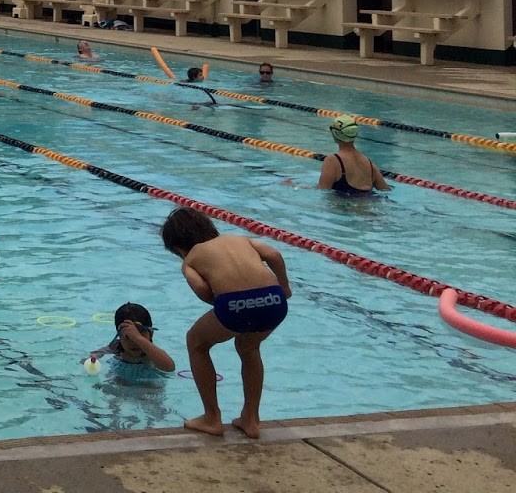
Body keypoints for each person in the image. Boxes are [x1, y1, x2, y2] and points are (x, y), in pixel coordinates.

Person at [161, 205, 291, 438]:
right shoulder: (239, 239)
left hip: (234, 305)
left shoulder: (191, 258)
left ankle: (212, 417)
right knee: (249, 347)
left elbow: (202, 290)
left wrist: (226, 304)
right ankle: (251, 418)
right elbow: (274, 255)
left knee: (196, 342)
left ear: (178, 247)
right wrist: (285, 287)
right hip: (274, 300)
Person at [85, 301, 175, 382]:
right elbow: (95, 355)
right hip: (122, 381)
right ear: (119, 336)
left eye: (138, 335)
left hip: (149, 383)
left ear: (151, 333)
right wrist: (92, 359)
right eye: (128, 336)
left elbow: (170, 368)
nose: (133, 342)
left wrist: (138, 339)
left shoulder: (152, 353)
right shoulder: (116, 346)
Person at [317, 115, 389, 196]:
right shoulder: (368, 162)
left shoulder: (332, 160)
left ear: (335, 133)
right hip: (368, 202)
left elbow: (322, 191)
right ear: (355, 133)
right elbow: (386, 190)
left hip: (343, 203)